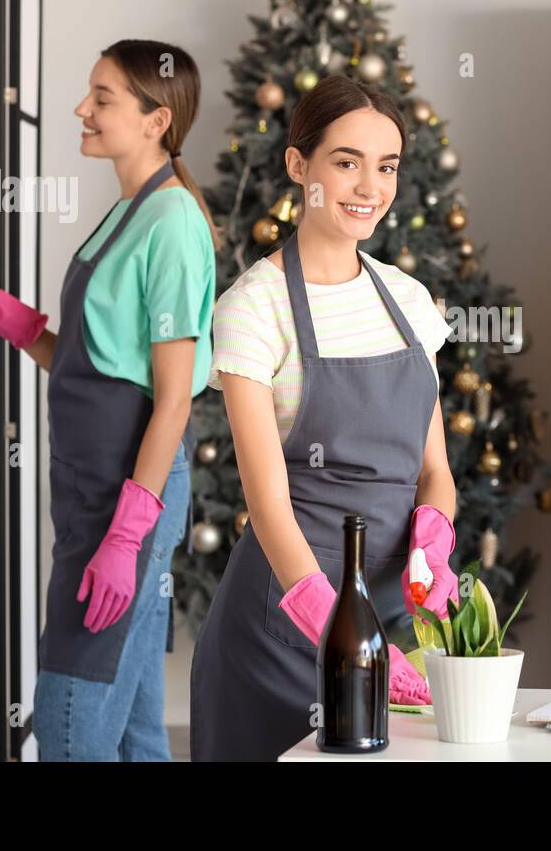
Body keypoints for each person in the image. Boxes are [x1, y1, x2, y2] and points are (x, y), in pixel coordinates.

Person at [0, 39, 217, 759]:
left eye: (103, 97)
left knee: (68, 726)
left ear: (157, 120)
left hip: (129, 499)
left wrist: (125, 537)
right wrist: (2, 313)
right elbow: (94, 365)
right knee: (137, 735)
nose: (81, 109)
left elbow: (174, 399)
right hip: (96, 493)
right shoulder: (126, 213)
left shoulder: (173, 221)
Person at [190, 75, 458, 761]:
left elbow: (434, 472)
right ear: (298, 165)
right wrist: (335, 627)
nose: (370, 185)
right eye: (347, 162)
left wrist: (435, 537)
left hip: (399, 624)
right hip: (283, 635)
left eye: (387, 165)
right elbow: (268, 502)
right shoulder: (255, 307)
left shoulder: (409, 300)